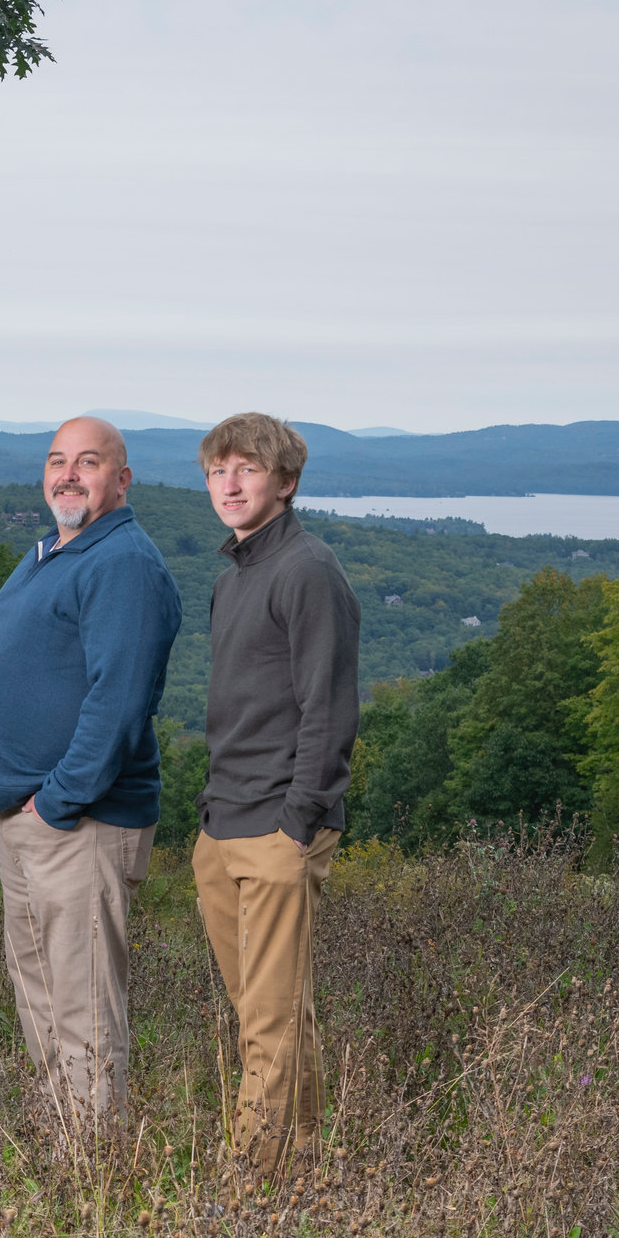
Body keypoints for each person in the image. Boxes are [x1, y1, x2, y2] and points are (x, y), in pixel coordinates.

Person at [0, 417, 181, 1129]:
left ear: (121, 479)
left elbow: (116, 701)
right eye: (57, 460)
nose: (68, 473)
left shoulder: (122, 562)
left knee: (81, 1002)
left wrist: (57, 801)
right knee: (42, 995)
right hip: (27, 822)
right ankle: (66, 1144)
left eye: (88, 462)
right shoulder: (54, 551)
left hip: (78, 822)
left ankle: (93, 1170)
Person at [191, 412, 360, 1181]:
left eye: (246, 470)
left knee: (267, 1019)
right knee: (271, 1014)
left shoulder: (306, 570)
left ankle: (247, 1184)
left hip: (277, 828)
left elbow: (326, 709)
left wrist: (298, 822)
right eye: (217, 471)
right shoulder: (234, 578)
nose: (228, 484)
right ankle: (305, 1160)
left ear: (284, 483)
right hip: (222, 822)